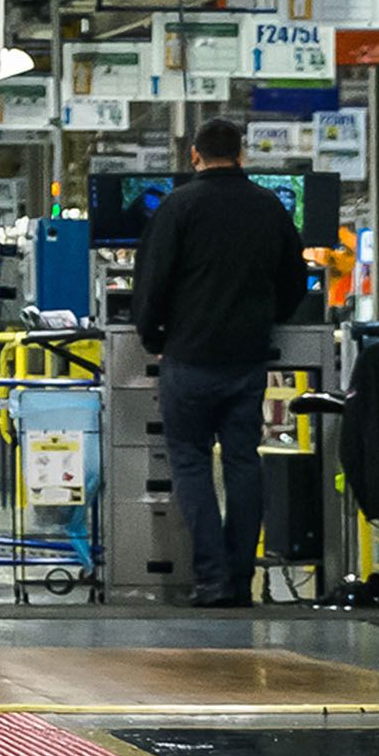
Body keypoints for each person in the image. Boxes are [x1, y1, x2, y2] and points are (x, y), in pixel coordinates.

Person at [132, 118, 311, 608]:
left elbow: (151, 283)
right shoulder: (269, 207)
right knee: (243, 463)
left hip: (188, 357)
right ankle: (239, 578)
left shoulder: (177, 207)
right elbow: (296, 282)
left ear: (194, 155)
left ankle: (211, 580)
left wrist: (154, 336)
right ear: (241, 154)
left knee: (190, 463)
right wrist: (267, 318)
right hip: (246, 359)